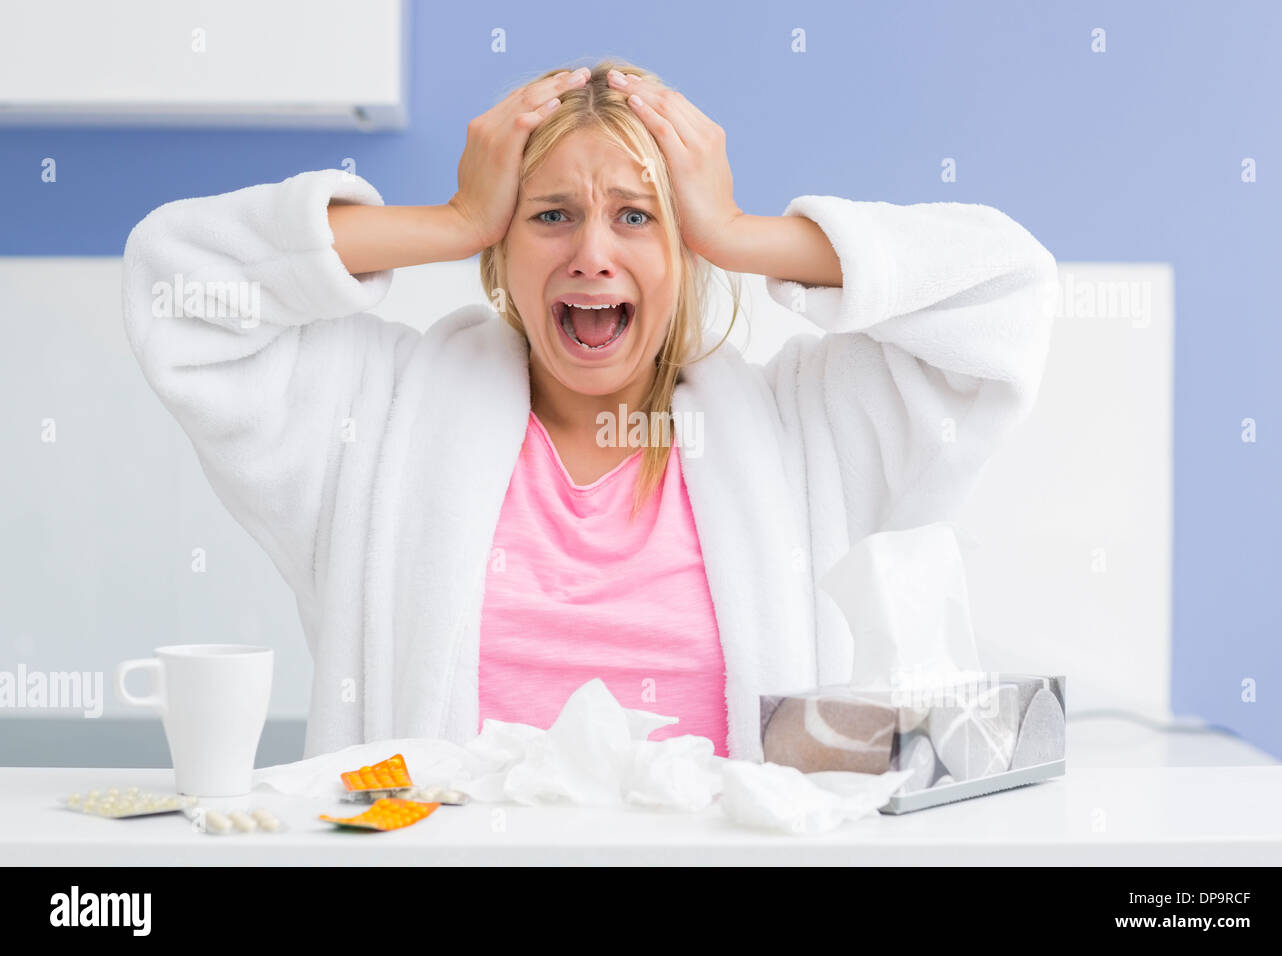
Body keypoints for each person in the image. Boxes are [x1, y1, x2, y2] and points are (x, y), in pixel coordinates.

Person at [121, 59, 1059, 762]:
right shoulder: (375, 426)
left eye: (638, 216)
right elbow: (180, 280)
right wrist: (452, 218)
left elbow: (1007, 295)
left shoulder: (798, 439)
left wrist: (737, 232)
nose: (593, 255)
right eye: (550, 214)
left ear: (684, 252)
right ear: (501, 250)